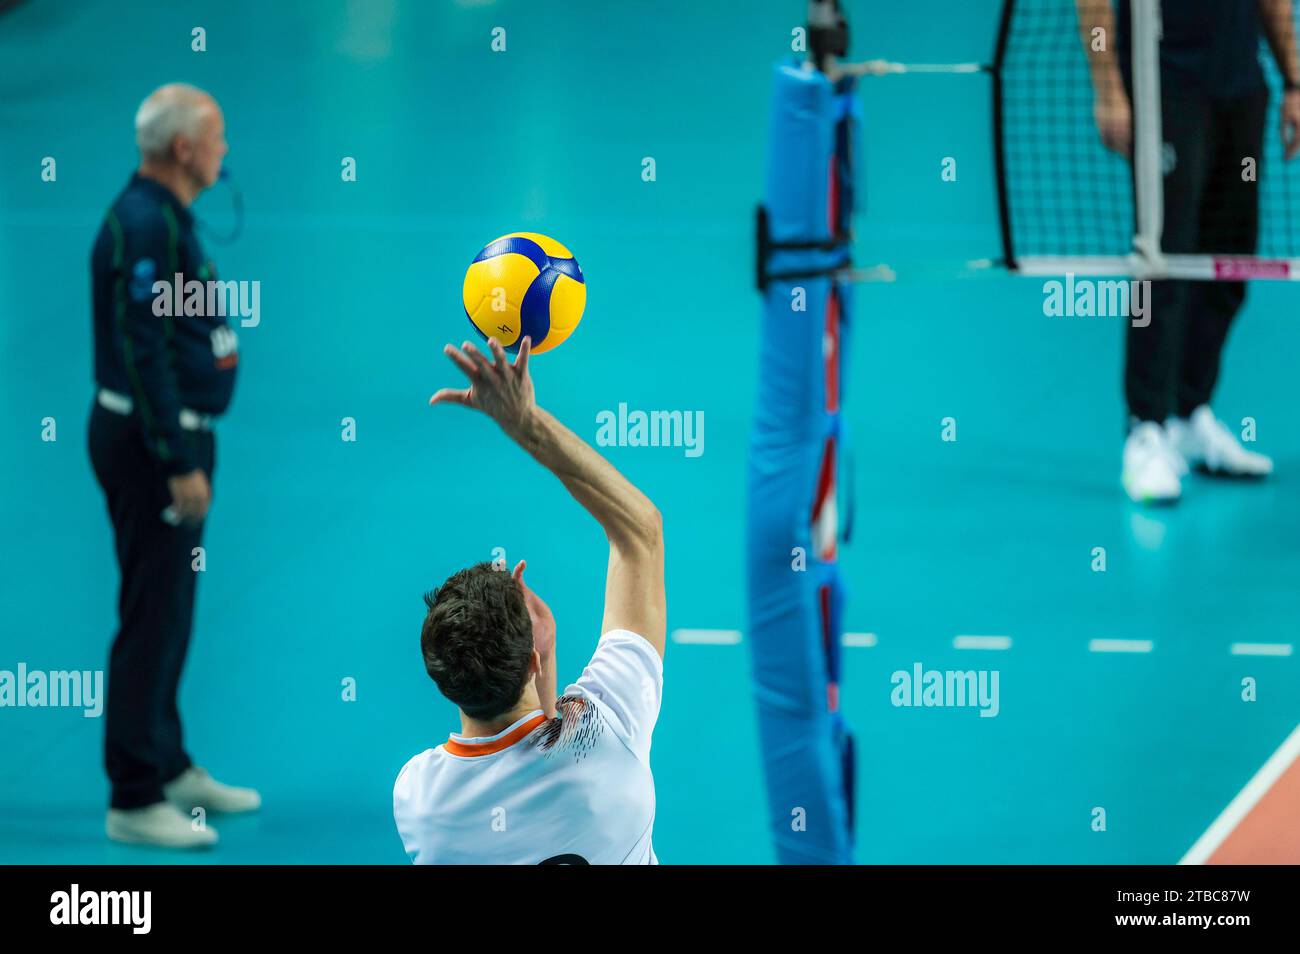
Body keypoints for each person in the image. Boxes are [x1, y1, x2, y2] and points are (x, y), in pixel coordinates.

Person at [394, 336, 666, 864]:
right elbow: (640, 533)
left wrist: (538, 670)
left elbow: (521, 763)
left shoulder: (421, 799)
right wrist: (525, 421)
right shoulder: (609, 735)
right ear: (533, 660)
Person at [89, 83, 259, 849]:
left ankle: (168, 760)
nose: (226, 151)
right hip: (155, 451)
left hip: (182, 443)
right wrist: (178, 460)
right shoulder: (140, 228)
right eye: (217, 138)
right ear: (185, 149)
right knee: (151, 616)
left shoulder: (167, 219)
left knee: (175, 610)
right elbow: (141, 353)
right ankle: (132, 794)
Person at [1077, 0, 1299, 503]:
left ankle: (1189, 414)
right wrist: (1109, 88)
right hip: (1165, 88)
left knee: (1230, 261)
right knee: (1159, 264)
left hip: (1240, 88)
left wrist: (1293, 81)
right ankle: (1144, 429)